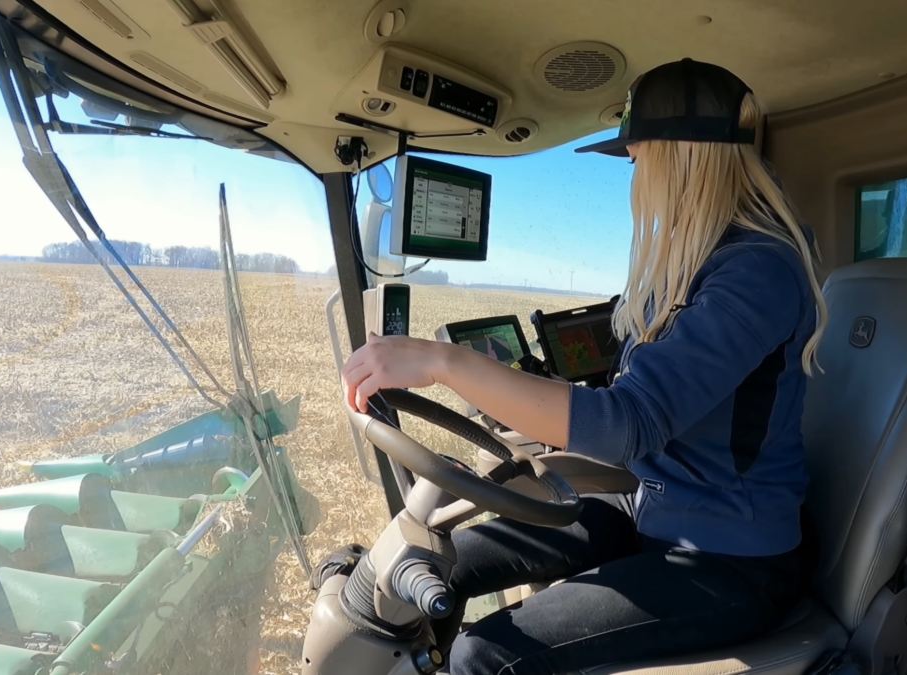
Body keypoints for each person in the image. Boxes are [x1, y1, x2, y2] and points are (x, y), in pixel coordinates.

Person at [341, 58, 829, 675]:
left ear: (681, 158)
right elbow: (634, 400)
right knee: (441, 563)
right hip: (649, 506)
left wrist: (445, 361)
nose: (635, 179)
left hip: (730, 555)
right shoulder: (692, 268)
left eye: (637, 158)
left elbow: (629, 422)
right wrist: (534, 399)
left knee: (485, 656)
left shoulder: (759, 268)